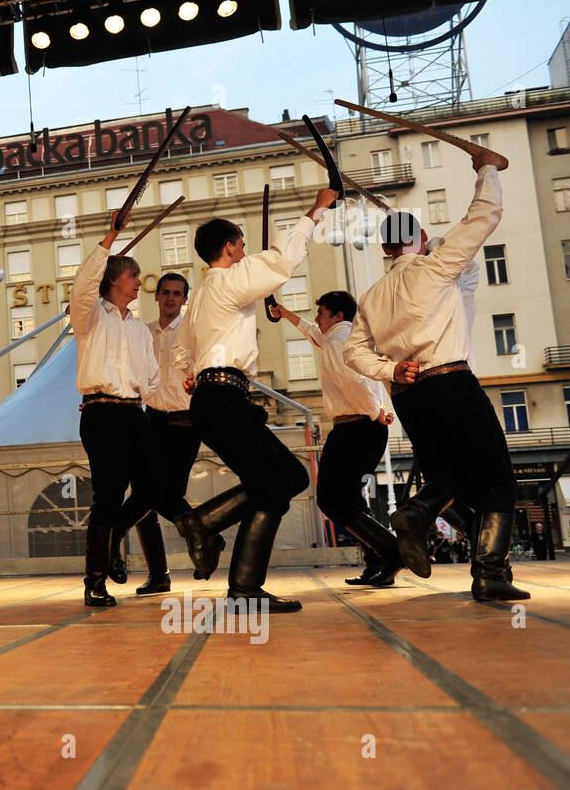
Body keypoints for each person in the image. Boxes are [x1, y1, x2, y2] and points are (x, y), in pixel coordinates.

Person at [345, 148, 528, 602]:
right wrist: (487, 167)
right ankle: (489, 573)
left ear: (386, 248)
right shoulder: (436, 266)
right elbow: (483, 215)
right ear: (422, 238)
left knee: (449, 476)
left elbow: (353, 352)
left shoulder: (370, 295)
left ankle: (419, 512)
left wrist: (389, 368)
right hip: (451, 382)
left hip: (409, 393)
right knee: (497, 479)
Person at [172, 186, 339, 613]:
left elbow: (180, 351)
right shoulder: (229, 281)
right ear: (228, 249)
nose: (246, 252)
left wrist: (191, 374)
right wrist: (316, 210)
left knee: (278, 483)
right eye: (242, 245)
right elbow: (283, 261)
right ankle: (208, 535)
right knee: (284, 480)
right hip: (224, 399)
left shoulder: (200, 299)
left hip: (214, 399)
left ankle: (233, 571)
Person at [69, 227, 219, 607]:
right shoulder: (89, 317)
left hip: (135, 414)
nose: (139, 282)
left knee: (154, 488)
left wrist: (165, 392)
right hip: (100, 411)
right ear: (113, 281)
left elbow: (151, 378)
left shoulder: (138, 328)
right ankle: (96, 581)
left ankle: (119, 545)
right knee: (108, 496)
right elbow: (83, 285)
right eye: (133, 276)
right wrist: (108, 239)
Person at [274, 291, 400, 587]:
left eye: (321, 313)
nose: (317, 318)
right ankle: (378, 562)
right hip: (362, 428)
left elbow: (351, 381)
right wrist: (286, 314)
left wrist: (374, 412)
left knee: (331, 499)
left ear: (337, 316)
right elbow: (315, 334)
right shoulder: (347, 337)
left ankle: (390, 550)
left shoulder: (336, 341)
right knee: (350, 498)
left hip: (355, 427)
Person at [126, 271, 215, 595]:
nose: (170, 298)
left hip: (184, 421)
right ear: (156, 296)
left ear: (185, 299)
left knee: (166, 494)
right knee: (142, 494)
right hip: (150, 419)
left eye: (177, 293)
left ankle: (203, 532)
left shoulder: (193, 333)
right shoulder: (143, 333)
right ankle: (159, 574)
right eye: (165, 292)